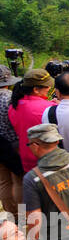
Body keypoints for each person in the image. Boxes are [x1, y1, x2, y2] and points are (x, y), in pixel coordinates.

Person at [9, 68, 56, 174]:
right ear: (36, 89)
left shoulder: (13, 106)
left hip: (26, 158)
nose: (49, 88)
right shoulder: (49, 108)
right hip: (46, 160)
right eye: (47, 86)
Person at [0, 67, 23, 215]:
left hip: (0, 144)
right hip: (14, 144)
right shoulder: (10, 98)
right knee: (18, 179)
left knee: (3, 181)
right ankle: (22, 213)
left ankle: (11, 213)